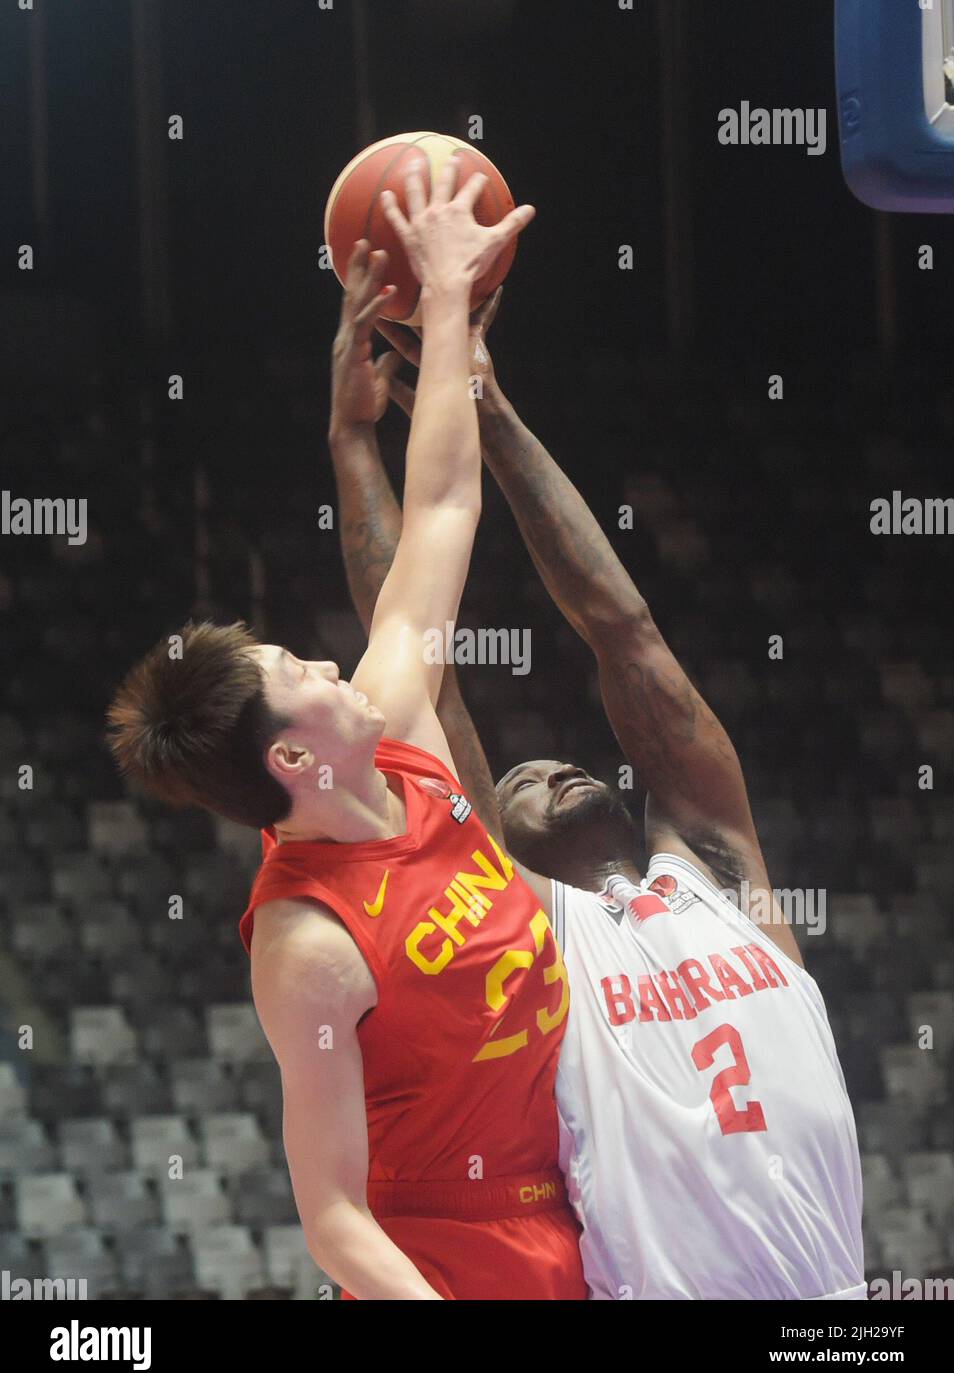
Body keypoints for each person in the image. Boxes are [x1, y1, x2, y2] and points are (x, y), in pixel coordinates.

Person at [107, 161, 589, 1301]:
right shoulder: (307, 948)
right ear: (288, 756)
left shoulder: (404, 729)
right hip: (451, 1258)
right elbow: (331, 1217)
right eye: (297, 669)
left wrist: (445, 304)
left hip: (572, 1198)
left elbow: (443, 507)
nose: (330, 659)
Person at [343, 295, 866, 1301]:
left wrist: (487, 407)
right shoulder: (533, 934)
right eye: (522, 780)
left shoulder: (722, 874)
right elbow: (419, 670)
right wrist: (357, 440)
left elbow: (623, 628)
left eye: (557, 763)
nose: (551, 769)